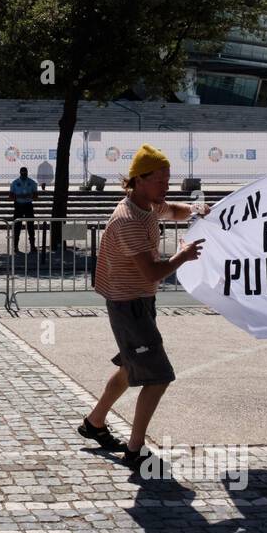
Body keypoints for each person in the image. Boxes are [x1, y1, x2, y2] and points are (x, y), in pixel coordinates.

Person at [78, 144, 205, 465]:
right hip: (128, 305)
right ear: (139, 179)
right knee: (158, 376)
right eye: (161, 181)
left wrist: (196, 210)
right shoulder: (128, 220)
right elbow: (153, 271)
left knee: (127, 368)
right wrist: (184, 256)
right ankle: (135, 450)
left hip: (139, 301)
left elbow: (173, 210)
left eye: (168, 179)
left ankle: (94, 423)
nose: (167, 186)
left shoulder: (148, 206)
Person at [10, 166, 39, 253]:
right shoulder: (15, 183)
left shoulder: (32, 182)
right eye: (22, 173)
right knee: (17, 226)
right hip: (18, 206)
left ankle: (32, 246)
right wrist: (18, 197)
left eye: (25, 173)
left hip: (28, 205)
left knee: (30, 226)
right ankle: (15, 246)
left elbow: (36, 195)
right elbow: (10, 196)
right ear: (20, 173)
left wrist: (30, 196)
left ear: (27, 173)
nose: (23, 174)